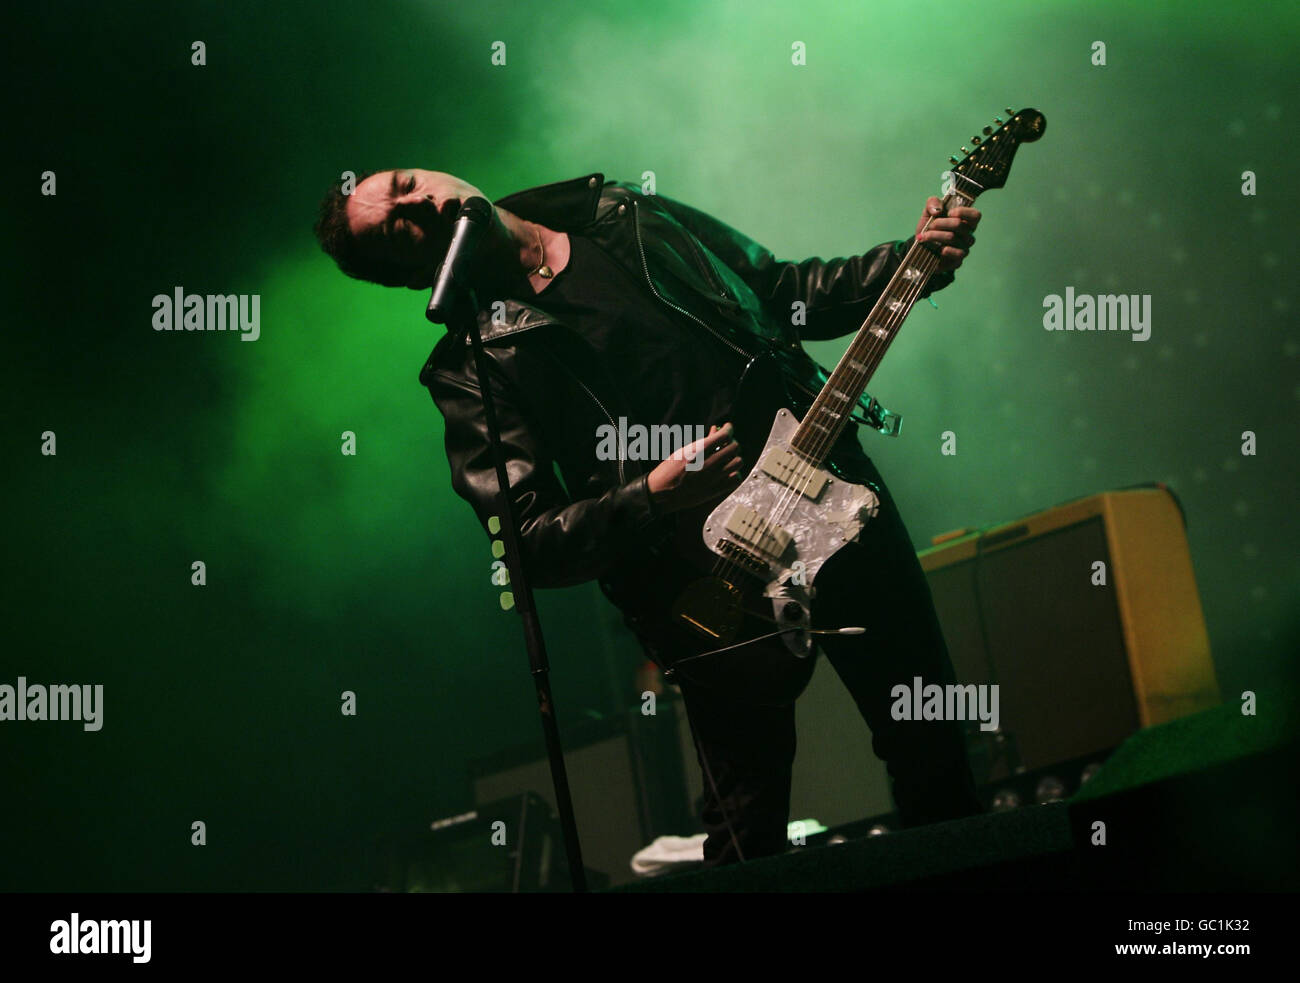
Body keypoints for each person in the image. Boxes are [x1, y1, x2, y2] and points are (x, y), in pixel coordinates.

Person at [314, 169, 984, 865]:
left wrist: (909, 261)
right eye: (398, 223)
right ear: (414, 270)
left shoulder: (620, 212)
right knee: (746, 831)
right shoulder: (472, 366)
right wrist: (654, 496)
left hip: (826, 491)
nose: (421, 200)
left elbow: (781, 294)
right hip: (705, 575)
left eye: (404, 182)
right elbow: (527, 542)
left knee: (933, 746)